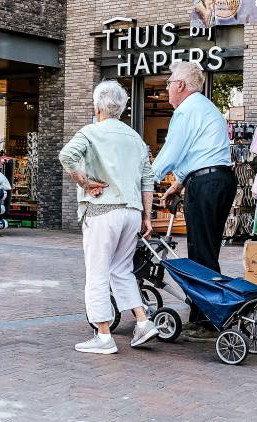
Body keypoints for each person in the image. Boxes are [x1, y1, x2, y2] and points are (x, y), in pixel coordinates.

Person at [60, 80, 159, 354]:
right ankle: (143, 321)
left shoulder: (91, 132)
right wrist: (147, 216)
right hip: (132, 212)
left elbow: (67, 155)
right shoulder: (136, 138)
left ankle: (103, 335)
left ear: (96, 106)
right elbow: (147, 178)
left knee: (97, 272)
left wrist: (84, 182)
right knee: (121, 269)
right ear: (123, 107)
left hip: (103, 209)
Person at [152, 60, 235, 342]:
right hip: (217, 179)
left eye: (169, 81)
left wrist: (145, 178)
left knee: (201, 254)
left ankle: (210, 321)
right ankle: (208, 314)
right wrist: (178, 184)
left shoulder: (187, 111)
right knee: (205, 251)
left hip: (207, 183)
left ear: (181, 85)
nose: (166, 87)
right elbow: (198, 153)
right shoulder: (203, 107)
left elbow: (172, 152)